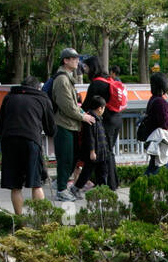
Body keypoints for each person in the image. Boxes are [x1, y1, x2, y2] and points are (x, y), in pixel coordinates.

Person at [0, 75, 55, 215]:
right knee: (36, 182)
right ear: (37, 87)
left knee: (15, 186)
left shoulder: (9, 97)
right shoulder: (42, 98)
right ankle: (40, 220)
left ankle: (19, 219)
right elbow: (51, 128)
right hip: (31, 141)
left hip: (9, 141)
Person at [51, 48, 95, 201]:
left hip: (70, 124)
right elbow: (68, 106)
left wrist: (82, 114)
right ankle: (61, 189)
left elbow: (73, 104)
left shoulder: (67, 78)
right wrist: (83, 117)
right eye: (74, 58)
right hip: (64, 124)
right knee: (66, 158)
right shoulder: (62, 80)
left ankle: (61, 184)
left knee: (72, 158)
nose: (77, 61)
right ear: (66, 61)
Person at [83, 58, 124, 189]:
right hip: (116, 119)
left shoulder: (96, 84)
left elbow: (86, 105)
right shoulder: (109, 80)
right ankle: (113, 183)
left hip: (106, 121)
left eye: (87, 67)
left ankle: (108, 185)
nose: (85, 70)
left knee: (105, 153)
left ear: (92, 68)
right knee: (109, 152)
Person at [68, 94, 110, 194]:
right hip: (95, 152)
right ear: (100, 108)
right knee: (87, 173)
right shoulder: (91, 119)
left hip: (101, 152)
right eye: (104, 108)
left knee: (103, 172)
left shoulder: (98, 118)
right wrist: (92, 151)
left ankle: (103, 190)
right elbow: (90, 137)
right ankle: (76, 188)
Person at [139, 72, 168, 176]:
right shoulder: (161, 102)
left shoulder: (153, 99)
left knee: (157, 165)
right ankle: (144, 187)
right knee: (158, 167)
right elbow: (164, 123)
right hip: (159, 140)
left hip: (152, 137)